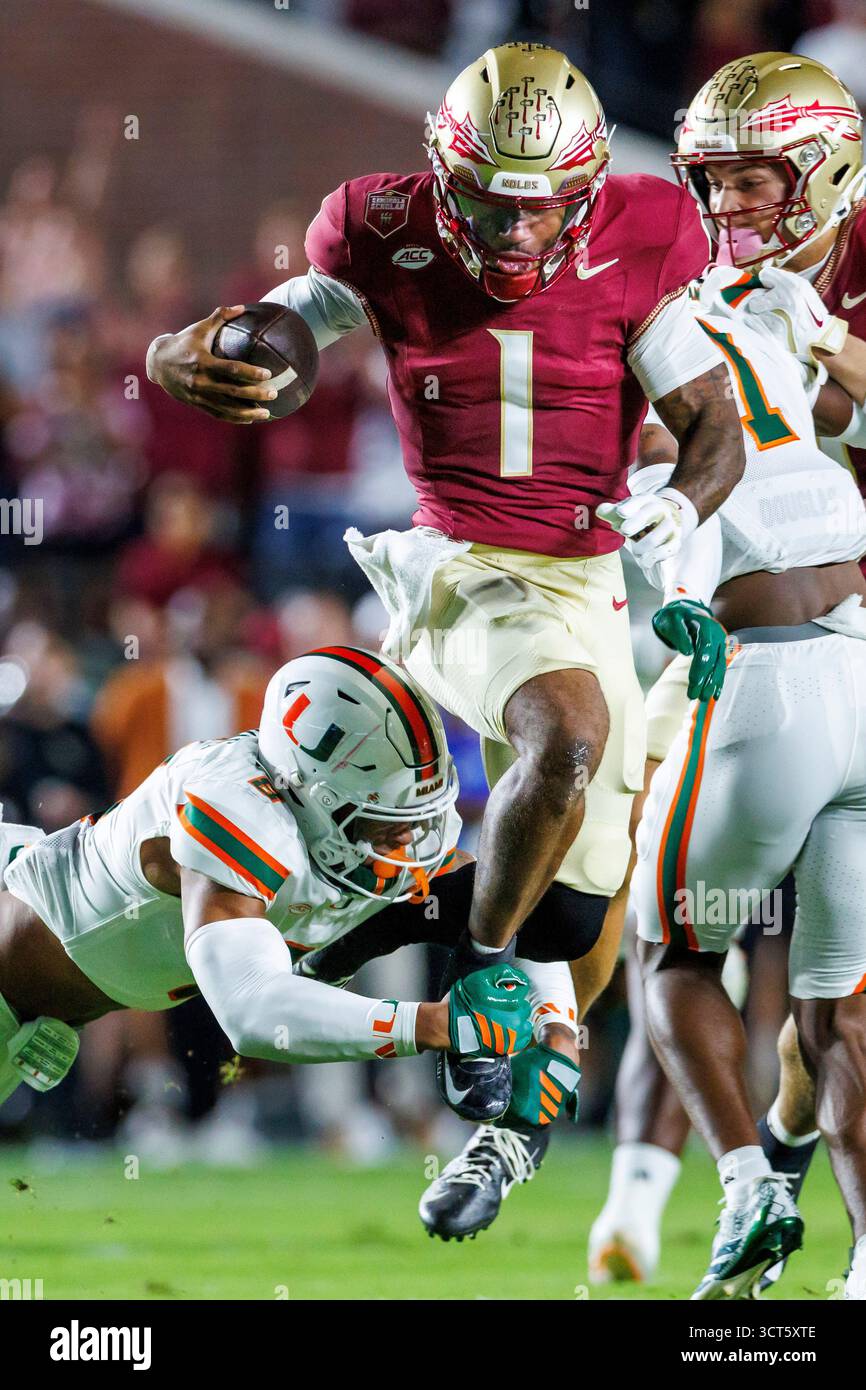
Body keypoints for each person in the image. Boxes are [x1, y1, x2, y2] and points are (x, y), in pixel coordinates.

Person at [146, 41, 747, 1132]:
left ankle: (331, 942)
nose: (515, 231)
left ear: (589, 183)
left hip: (588, 572)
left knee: (570, 918)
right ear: (442, 171)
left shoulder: (644, 229)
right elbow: (290, 325)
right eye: (489, 203)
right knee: (563, 734)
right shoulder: (382, 225)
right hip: (458, 562)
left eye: (540, 207)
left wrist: (683, 502)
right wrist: (205, 351)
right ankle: (470, 973)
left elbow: (713, 424)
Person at [592, 49, 866, 1293]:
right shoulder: (707, 292)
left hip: (770, 659)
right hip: (844, 655)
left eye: (753, 179)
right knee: (835, 1003)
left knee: (676, 945)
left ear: (824, 171)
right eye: (710, 182)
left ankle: (746, 1184)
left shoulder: (737, 301)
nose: (729, 208)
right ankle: (664, 1204)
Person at [0, 647, 554, 1125]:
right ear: (314, 787)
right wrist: (434, 1024)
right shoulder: (235, 807)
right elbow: (252, 1011)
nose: (409, 840)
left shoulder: (320, 810)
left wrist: (550, 1026)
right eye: (386, 819)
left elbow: (515, 900)